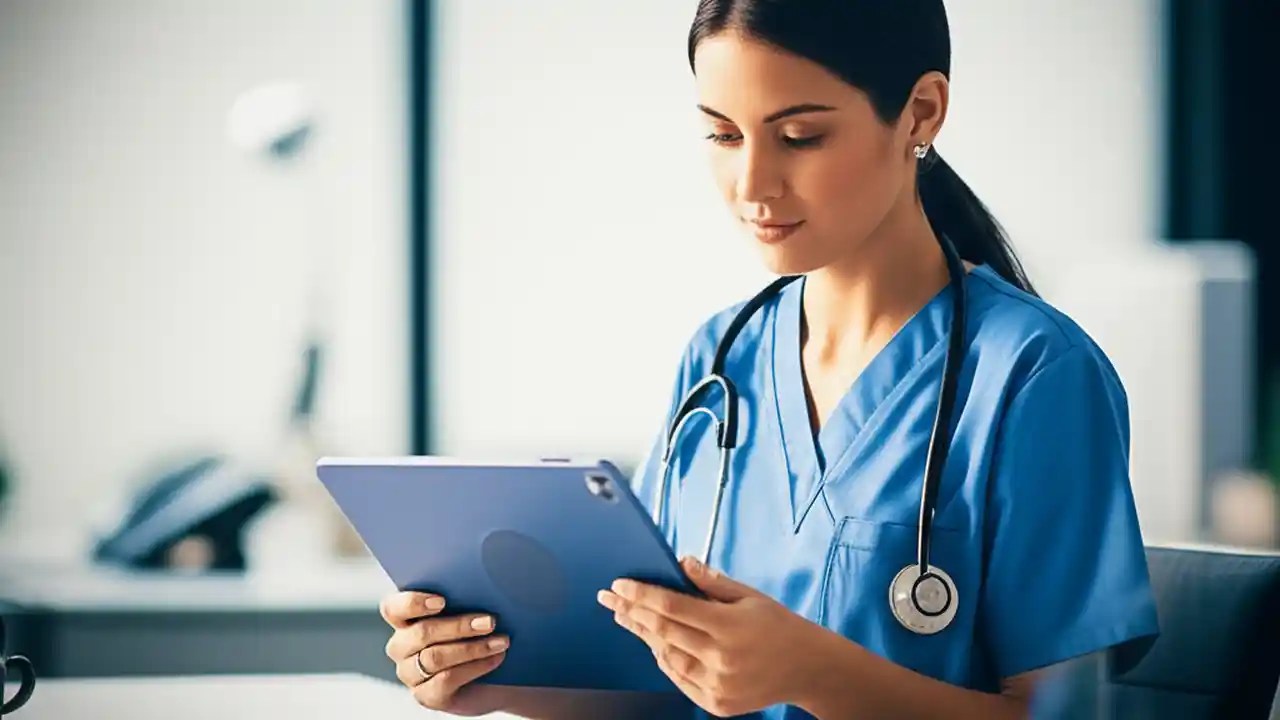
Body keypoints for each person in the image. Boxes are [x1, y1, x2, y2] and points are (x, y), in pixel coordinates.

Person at [379, 1, 1160, 717]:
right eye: (723, 135)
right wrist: (496, 680)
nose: (751, 184)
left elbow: (1068, 716)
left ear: (921, 112)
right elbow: (663, 693)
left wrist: (814, 673)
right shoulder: (722, 363)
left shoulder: (1031, 376)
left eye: (799, 137)